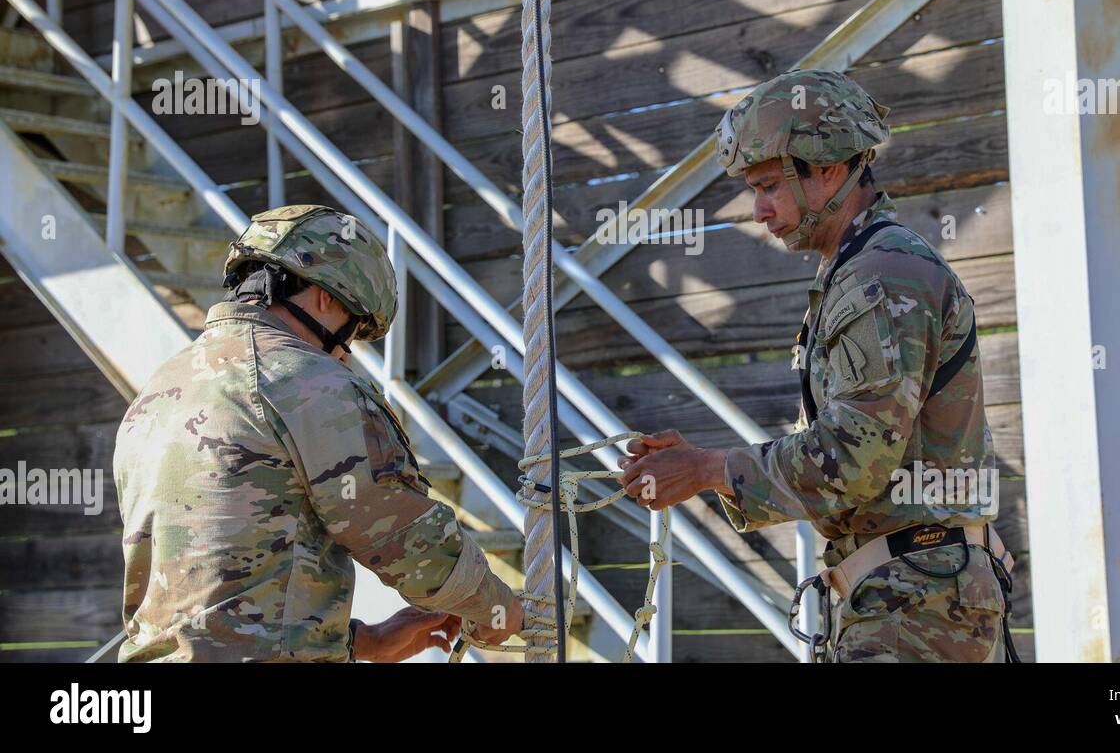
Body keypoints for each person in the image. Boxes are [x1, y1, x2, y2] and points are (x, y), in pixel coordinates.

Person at [618, 70, 1016, 662]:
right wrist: (707, 467)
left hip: (916, 609)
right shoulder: (860, 268)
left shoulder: (880, 277)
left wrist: (707, 469)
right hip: (905, 597)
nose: (759, 210)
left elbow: (852, 460)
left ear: (828, 167)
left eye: (771, 185)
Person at [113, 205, 523, 661]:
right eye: (351, 333)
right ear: (328, 297)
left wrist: (358, 641)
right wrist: (498, 607)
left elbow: (207, 583)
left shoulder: (159, 390)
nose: (345, 354)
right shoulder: (311, 382)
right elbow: (406, 538)